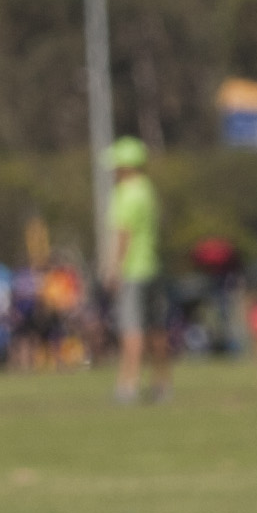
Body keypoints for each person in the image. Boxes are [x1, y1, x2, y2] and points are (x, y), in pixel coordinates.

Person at [102, 137, 170, 404]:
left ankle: (128, 385)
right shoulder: (148, 190)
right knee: (156, 329)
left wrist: (113, 268)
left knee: (132, 329)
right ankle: (162, 384)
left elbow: (123, 234)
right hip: (153, 266)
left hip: (133, 270)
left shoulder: (126, 193)